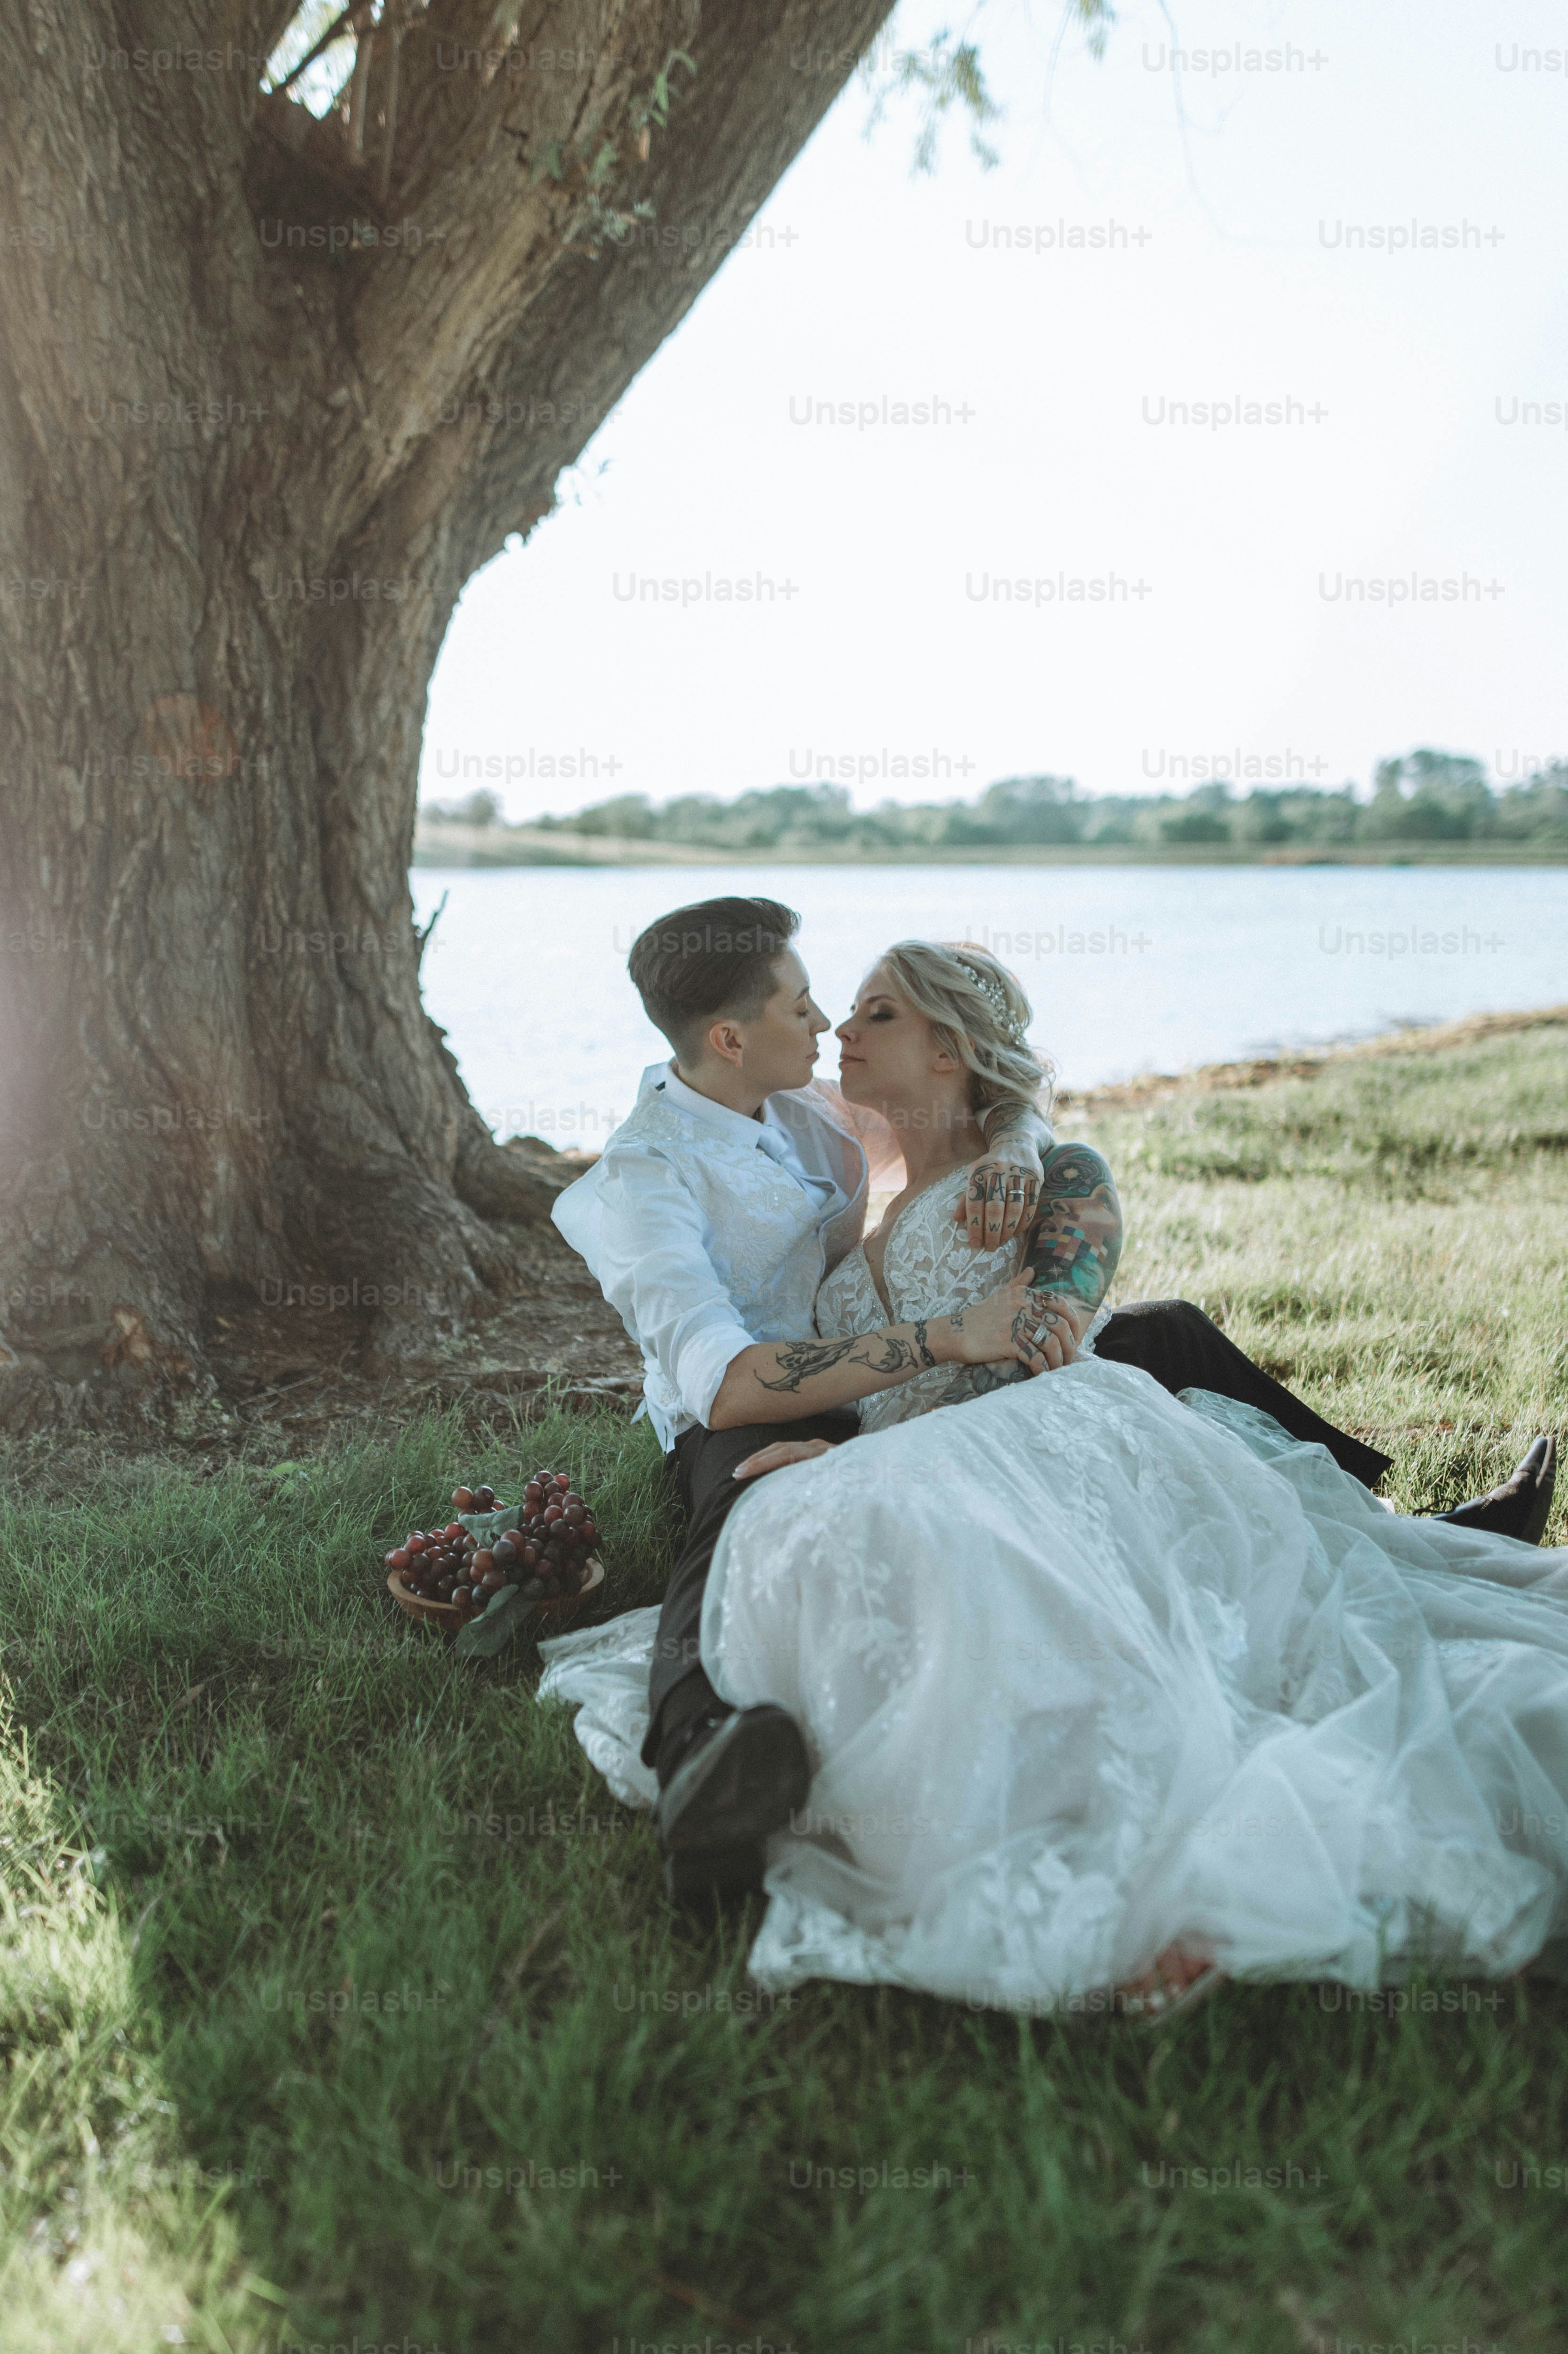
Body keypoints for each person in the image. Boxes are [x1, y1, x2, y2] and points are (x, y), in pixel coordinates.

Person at [549, 902, 1557, 1916]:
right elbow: (722, 1380)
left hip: (903, 1372)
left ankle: (1390, 1531)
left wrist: (1022, 1143)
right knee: (735, 1506)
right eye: (806, 1007)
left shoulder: (800, 1104)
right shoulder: (643, 1181)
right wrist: (945, 1339)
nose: (827, 1026)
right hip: (748, 1399)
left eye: (844, 1008)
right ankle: (698, 1758)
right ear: (730, 1037)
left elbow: (976, 1077)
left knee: (1161, 1331)